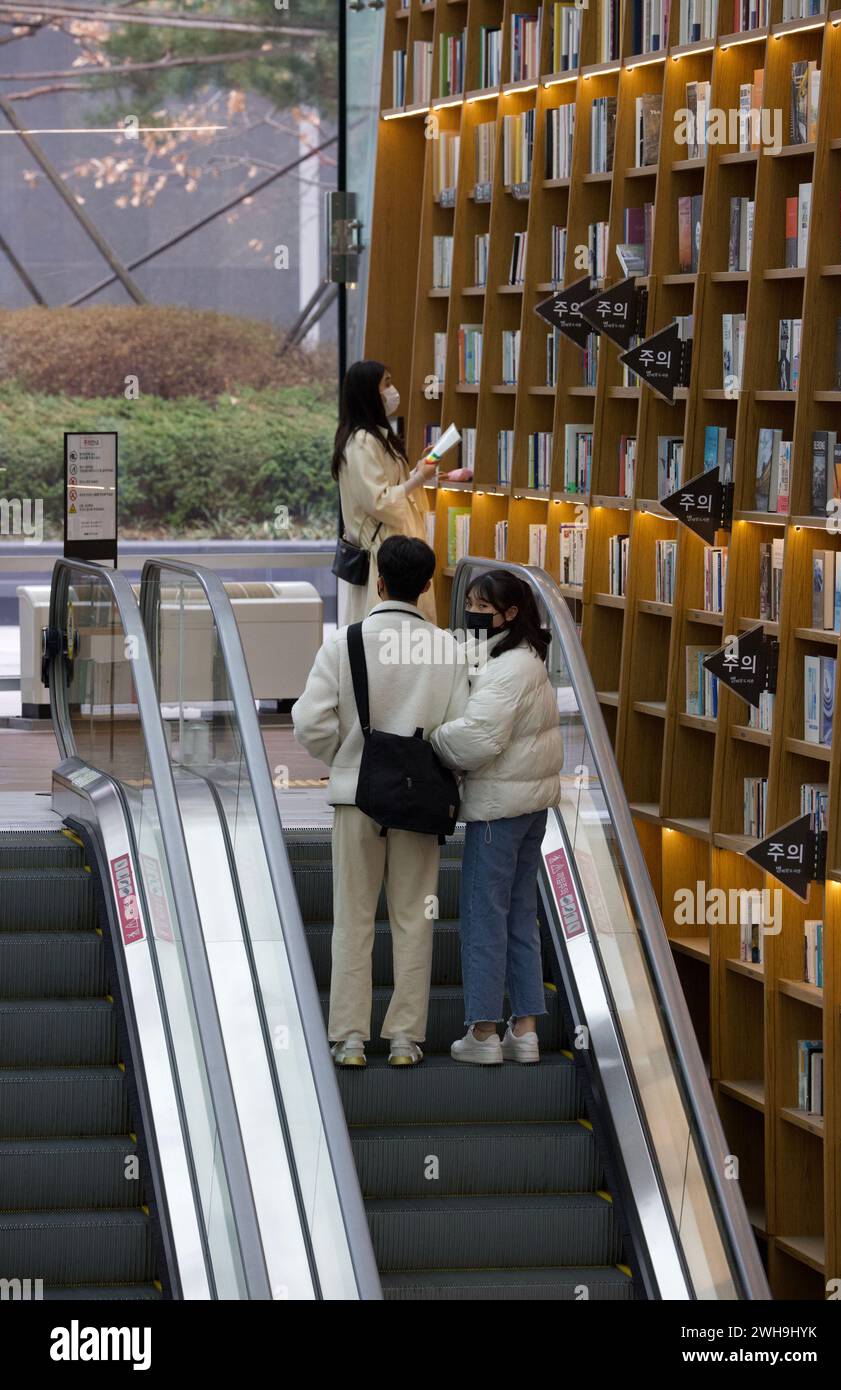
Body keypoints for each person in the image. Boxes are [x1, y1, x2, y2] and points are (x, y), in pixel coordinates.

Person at [292, 535, 469, 1067]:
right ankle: (405, 1038)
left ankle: (349, 1037)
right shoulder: (448, 648)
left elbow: (309, 722)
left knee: (353, 916)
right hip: (421, 802)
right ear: (426, 586)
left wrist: (347, 761)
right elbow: (461, 731)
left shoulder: (345, 642)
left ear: (379, 581)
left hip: (355, 799)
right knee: (416, 916)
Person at [430, 571, 563, 1065]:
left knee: (485, 917)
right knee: (519, 917)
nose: (473, 613)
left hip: (498, 812)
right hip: (529, 807)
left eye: (483, 606)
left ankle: (484, 1031)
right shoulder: (526, 659)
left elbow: (478, 739)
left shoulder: (508, 669)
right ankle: (524, 1029)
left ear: (511, 613)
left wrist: (432, 741)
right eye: (469, 603)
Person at [332, 360, 438, 625]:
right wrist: (418, 479)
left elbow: (388, 489)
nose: (393, 390)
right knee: (389, 627)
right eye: (387, 383)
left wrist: (417, 473)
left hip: (393, 546)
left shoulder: (375, 437)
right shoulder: (361, 442)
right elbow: (379, 501)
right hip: (383, 549)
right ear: (370, 391)